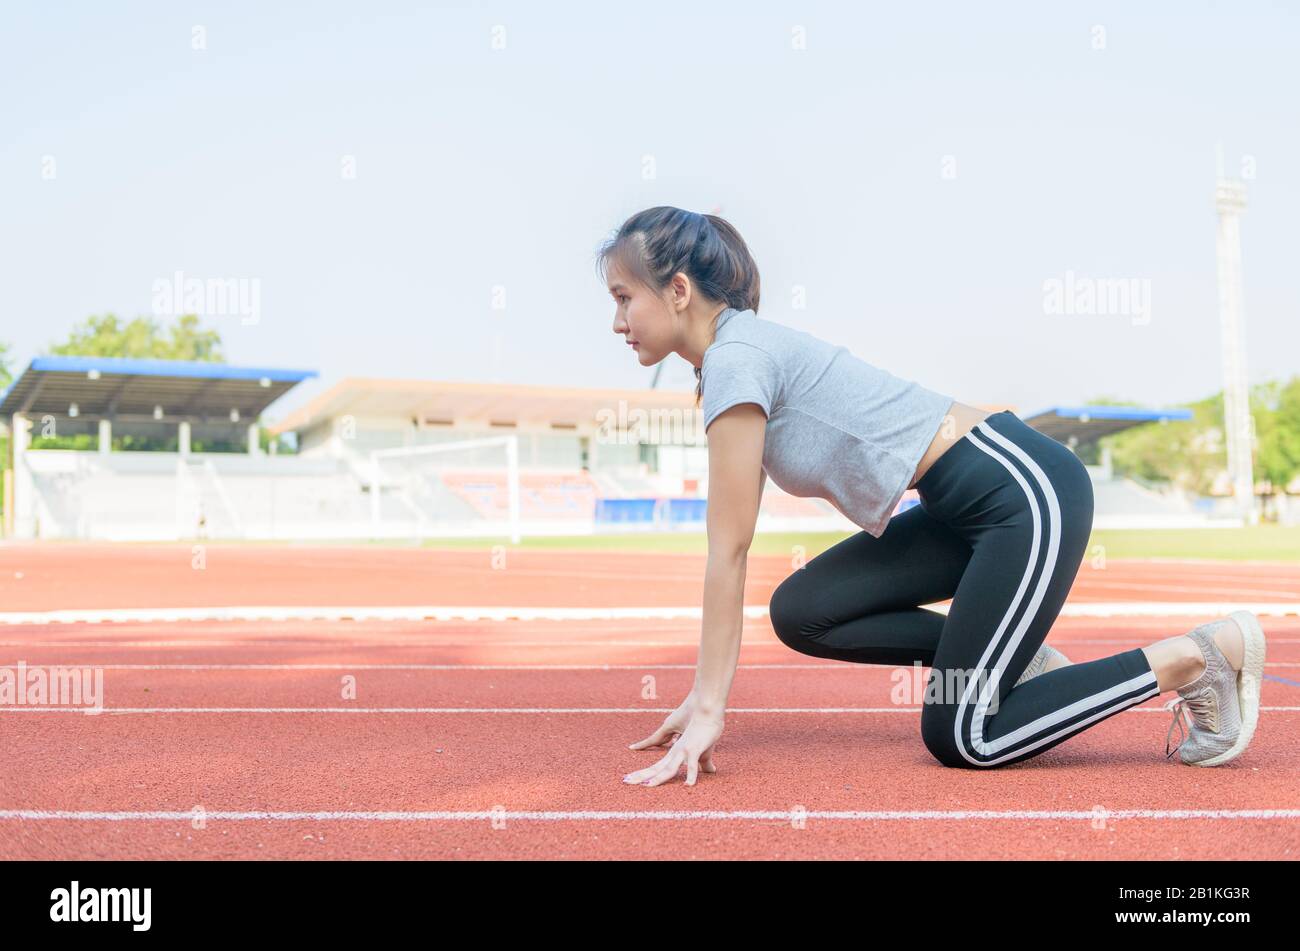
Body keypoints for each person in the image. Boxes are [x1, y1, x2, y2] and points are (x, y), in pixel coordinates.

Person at [599, 206, 1267, 786]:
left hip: (1021, 493)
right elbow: (735, 545)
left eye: (625, 297)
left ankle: (1197, 654)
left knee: (965, 736)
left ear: (678, 289)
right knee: (803, 609)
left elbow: (730, 547)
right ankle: (1010, 657)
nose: (617, 320)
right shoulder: (735, 356)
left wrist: (709, 704)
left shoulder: (736, 359)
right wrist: (703, 694)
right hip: (957, 506)